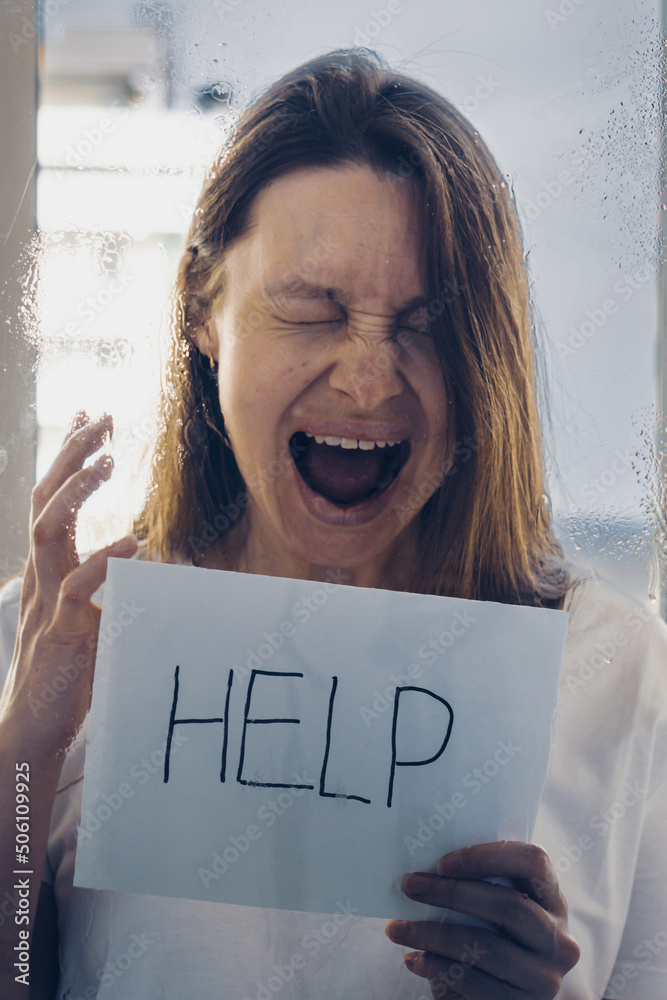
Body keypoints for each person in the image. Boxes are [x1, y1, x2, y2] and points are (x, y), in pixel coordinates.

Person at [0, 49, 665, 1000]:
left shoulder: (618, 673)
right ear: (202, 309)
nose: (366, 377)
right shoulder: (46, 643)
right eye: (311, 310)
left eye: (429, 323)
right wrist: (26, 752)